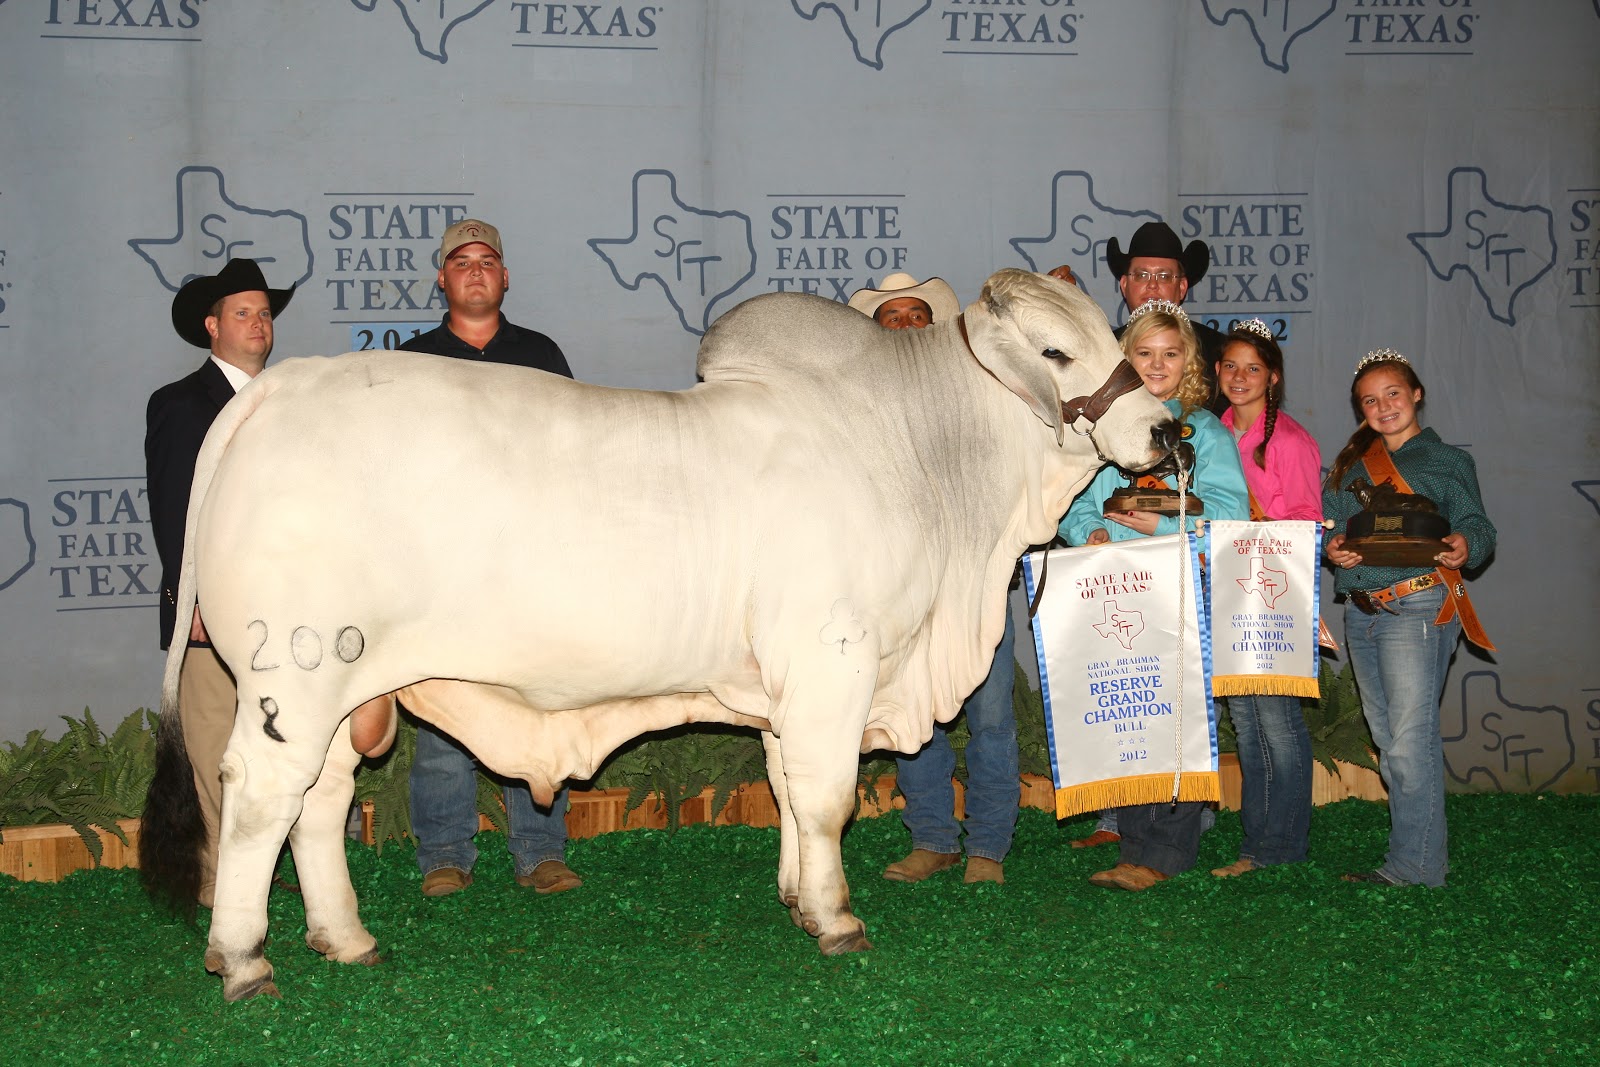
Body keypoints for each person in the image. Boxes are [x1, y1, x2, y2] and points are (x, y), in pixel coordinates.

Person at [401, 218, 582, 899]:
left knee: (535, 704)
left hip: (532, 561)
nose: (474, 270)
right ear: (442, 279)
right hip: (444, 565)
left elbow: (574, 454)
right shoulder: (413, 360)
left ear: (505, 278)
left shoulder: (540, 353)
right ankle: (444, 855)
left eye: (487, 261)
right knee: (445, 708)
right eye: (460, 261)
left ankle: (541, 850)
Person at [1057, 299, 1249, 891]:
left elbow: (1230, 510)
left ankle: (1164, 853)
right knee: (1132, 716)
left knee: (1177, 721)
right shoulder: (1102, 426)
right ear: (1124, 359)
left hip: (1179, 585)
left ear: (1188, 361)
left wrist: (1163, 527)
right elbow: (1076, 498)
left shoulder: (1205, 429)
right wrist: (1085, 531)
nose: (1157, 364)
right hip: (1113, 589)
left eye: (1170, 354)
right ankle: (1134, 845)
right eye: (1144, 353)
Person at [846, 272, 1020, 885]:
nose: (905, 325)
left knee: (990, 717)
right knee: (913, 714)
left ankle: (988, 847)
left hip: (977, 584)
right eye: (891, 317)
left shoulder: (982, 396)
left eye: (916, 314)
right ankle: (934, 838)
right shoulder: (858, 413)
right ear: (876, 331)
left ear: (933, 325)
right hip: (904, 589)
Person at [145, 257, 296, 908]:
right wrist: (195, 600)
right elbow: (174, 507)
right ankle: (213, 883)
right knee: (213, 738)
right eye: (243, 312)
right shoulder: (180, 404)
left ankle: (256, 866)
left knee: (271, 739)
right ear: (212, 325)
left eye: (264, 313)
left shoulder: (290, 401)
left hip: (284, 606)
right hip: (211, 609)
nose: (258, 323)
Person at [1323, 349, 1495, 887]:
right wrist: (1336, 550)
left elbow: (1477, 526)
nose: (1383, 406)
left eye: (1392, 393)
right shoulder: (1351, 467)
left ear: (1416, 394)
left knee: (1408, 738)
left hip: (1418, 605)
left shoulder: (1447, 462)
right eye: (1370, 400)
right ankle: (1414, 856)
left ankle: (1416, 866)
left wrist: (1468, 546)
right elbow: (1336, 532)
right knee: (1388, 737)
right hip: (1361, 613)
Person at [1209, 319, 1322, 878]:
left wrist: (1252, 532)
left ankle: (1282, 846)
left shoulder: (1291, 442)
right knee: (1247, 724)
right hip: (1226, 589)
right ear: (1215, 372)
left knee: (1276, 723)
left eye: (1253, 368)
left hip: (1272, 593)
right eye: (1230, 365)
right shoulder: (1209, 433)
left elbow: (1306, 524)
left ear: (1272, 378)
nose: (1239, 376)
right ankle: (1257, 845)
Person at [1106, 220, 1227, 415]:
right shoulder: (1103, 346)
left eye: (1164, 276)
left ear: (1182, 287)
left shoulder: (1219, 351)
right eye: (1141, 275)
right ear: (1124, 284)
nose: (1152, 285)